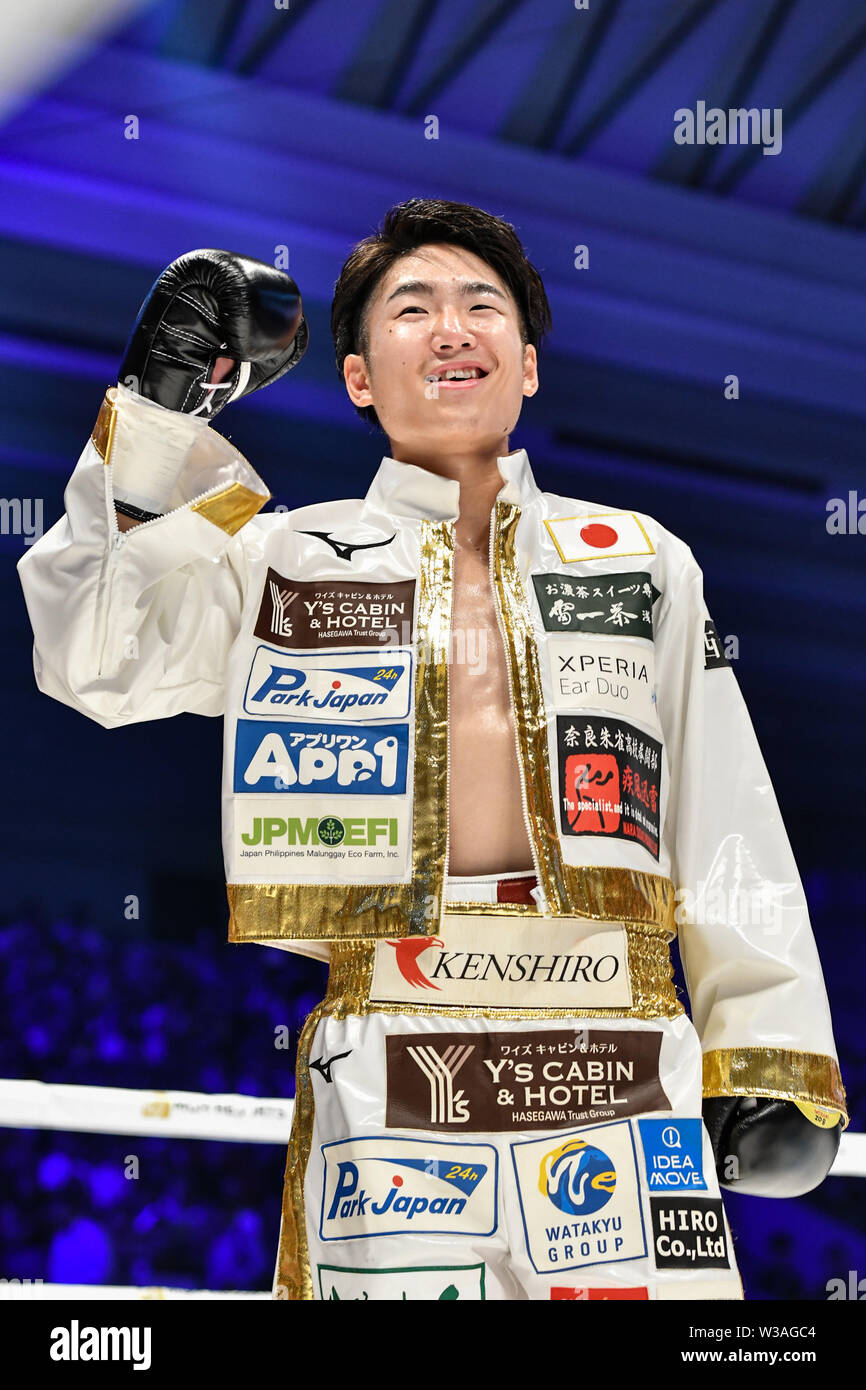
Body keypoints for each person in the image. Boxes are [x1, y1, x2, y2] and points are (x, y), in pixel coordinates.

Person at [18, 199, 847, 1302]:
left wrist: (766, 1042)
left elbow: (722, 799)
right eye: (413, 308)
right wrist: (156, 404)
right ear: (358, 377)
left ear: (529, 365)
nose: (451, 327)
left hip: (620, 1041)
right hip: (394, 1038)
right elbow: (90, 655)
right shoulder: (286, 556)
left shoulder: (644, 559)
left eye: (481, 306)